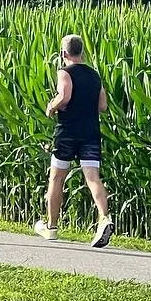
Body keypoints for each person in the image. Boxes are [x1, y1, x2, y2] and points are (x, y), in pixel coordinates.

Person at [35, 34, 115, 249]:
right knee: (93, 177)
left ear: (64, 53)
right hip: (90, 132)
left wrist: (52, 106)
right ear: (82, 52)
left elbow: (65, 96)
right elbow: (103, 106)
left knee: (57, 178)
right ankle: (104, 217)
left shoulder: (64, 72)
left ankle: (51, 227)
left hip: (67, 132)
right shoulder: (95, 75)